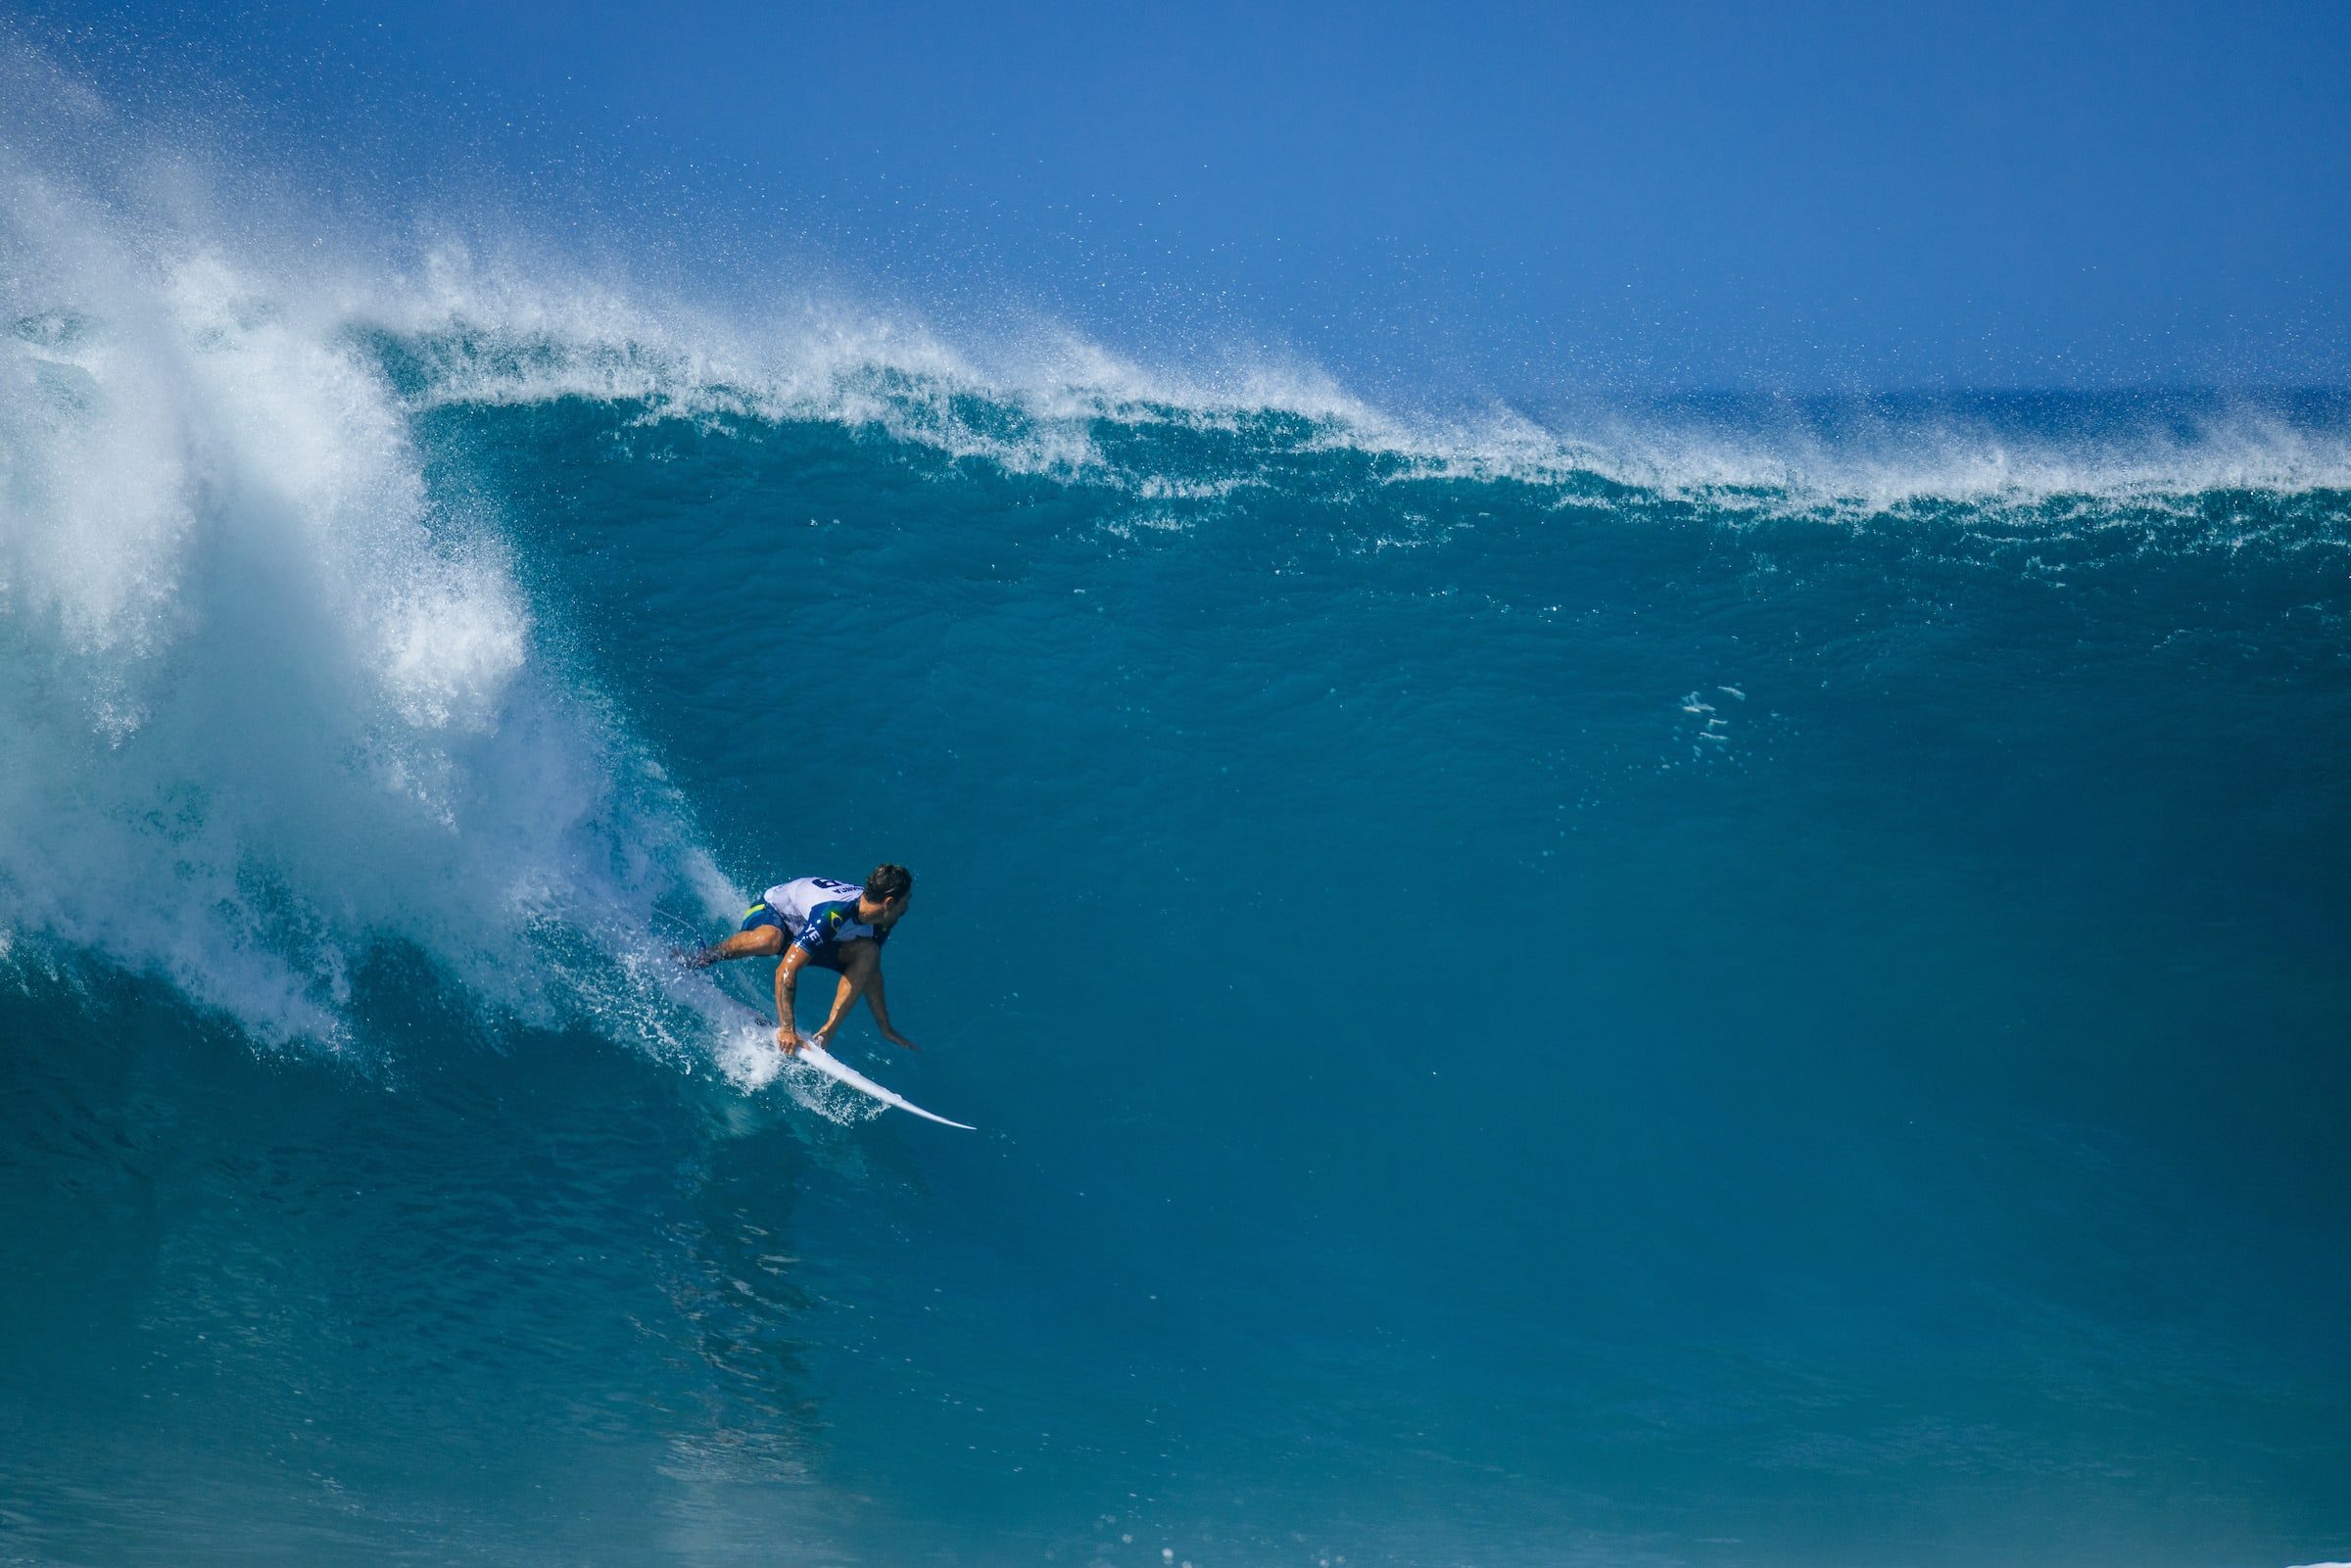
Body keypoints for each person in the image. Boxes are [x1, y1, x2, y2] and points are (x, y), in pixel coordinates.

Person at [687, 865, 918, 1056]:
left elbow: (872, 973)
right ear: (888, 903)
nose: (906, 908)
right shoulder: (833, 914)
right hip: (772, 913)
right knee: (771, 940)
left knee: (869, 953)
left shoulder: (881, 923)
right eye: (904, 902)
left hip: (807, 933)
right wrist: (787, 1029)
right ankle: (703, 958)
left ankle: (825, 1035)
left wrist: (885, 1027)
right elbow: (785, 970)